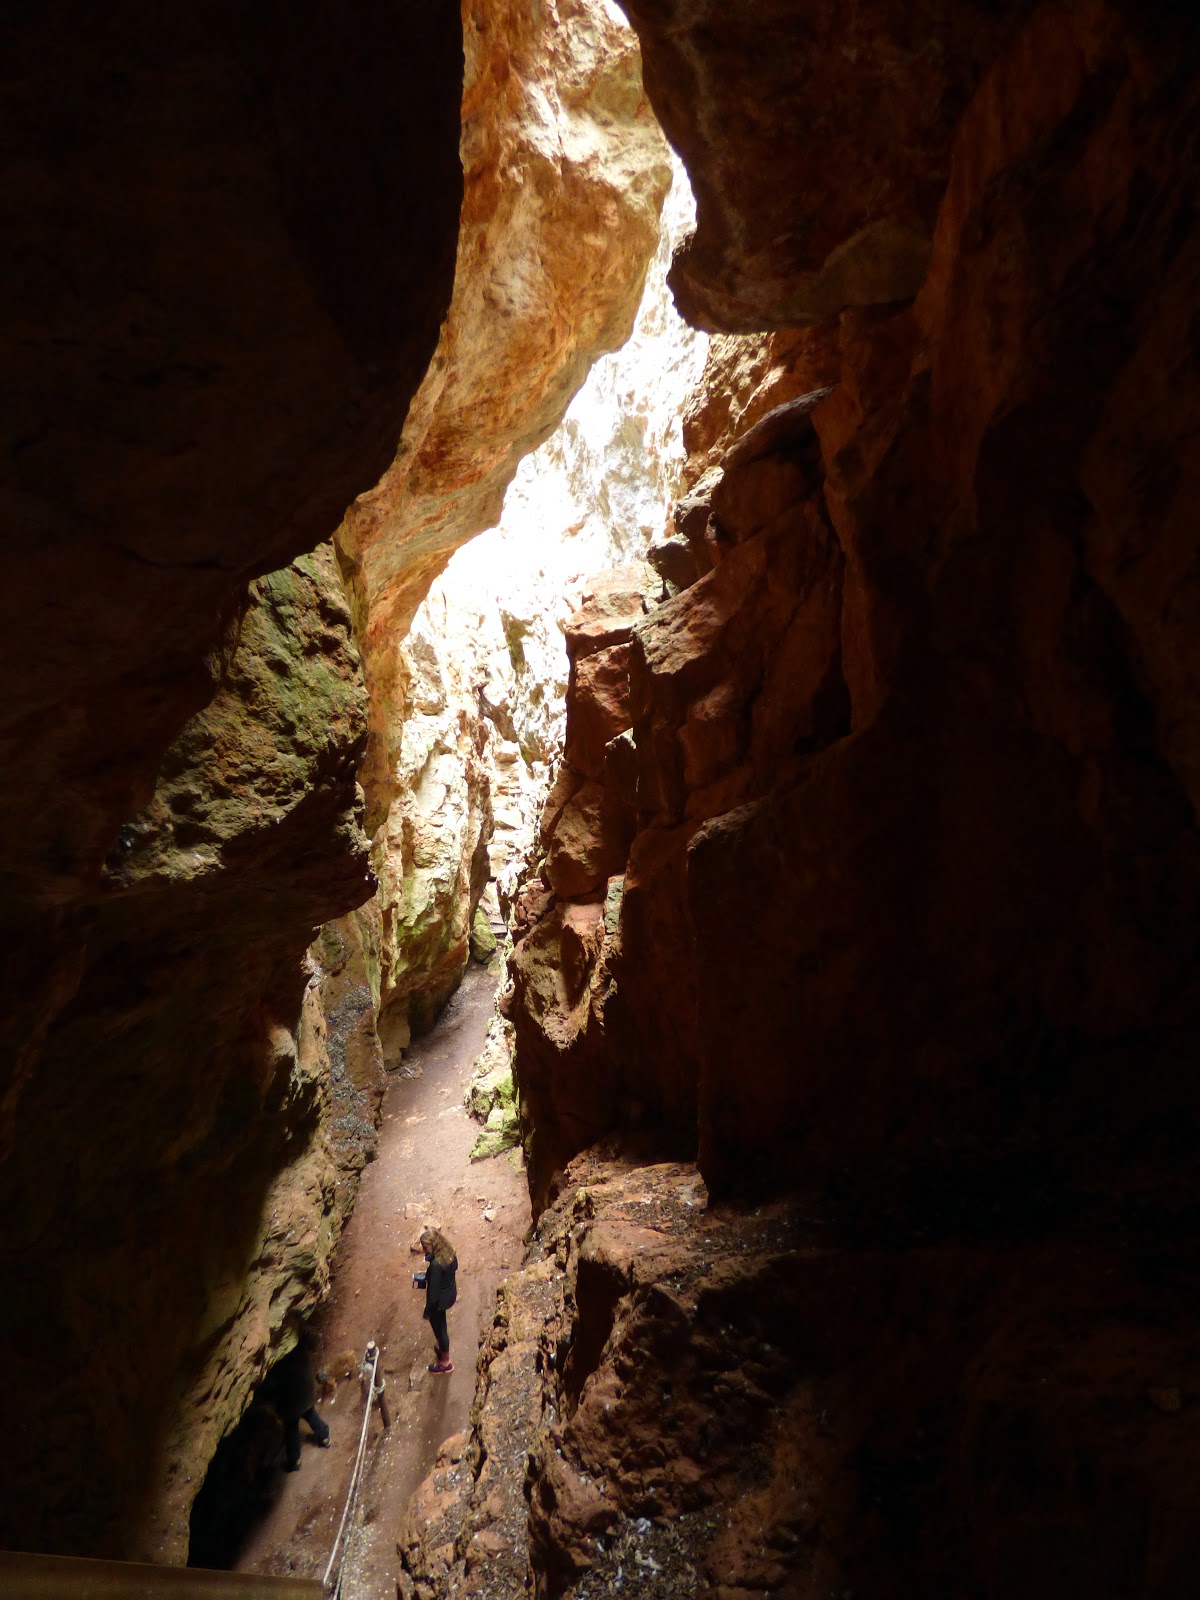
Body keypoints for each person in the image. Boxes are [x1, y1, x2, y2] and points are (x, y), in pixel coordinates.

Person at [270, 1325, 331, 1470]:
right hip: (305, 1384)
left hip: (289, 1397)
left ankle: (294, 1461)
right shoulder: (294, 1330)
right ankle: (324, 1438)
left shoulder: (272, 1351)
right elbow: (313, 1339)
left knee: (291, 1427)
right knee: (310, 1413)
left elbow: (271, 1383)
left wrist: (274, 1402)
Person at [416, 1226, 458, 1374]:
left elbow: (433, 1297)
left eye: (425, 1247)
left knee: (440, 1329)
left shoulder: (435, 1266)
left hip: (440, 1302)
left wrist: (427, 1313)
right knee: (442, 1326)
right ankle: (443, 1349)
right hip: (450, 1293)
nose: (424, 1250)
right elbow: (455, 1267)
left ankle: (445, 1362)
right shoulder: (450, 1252)